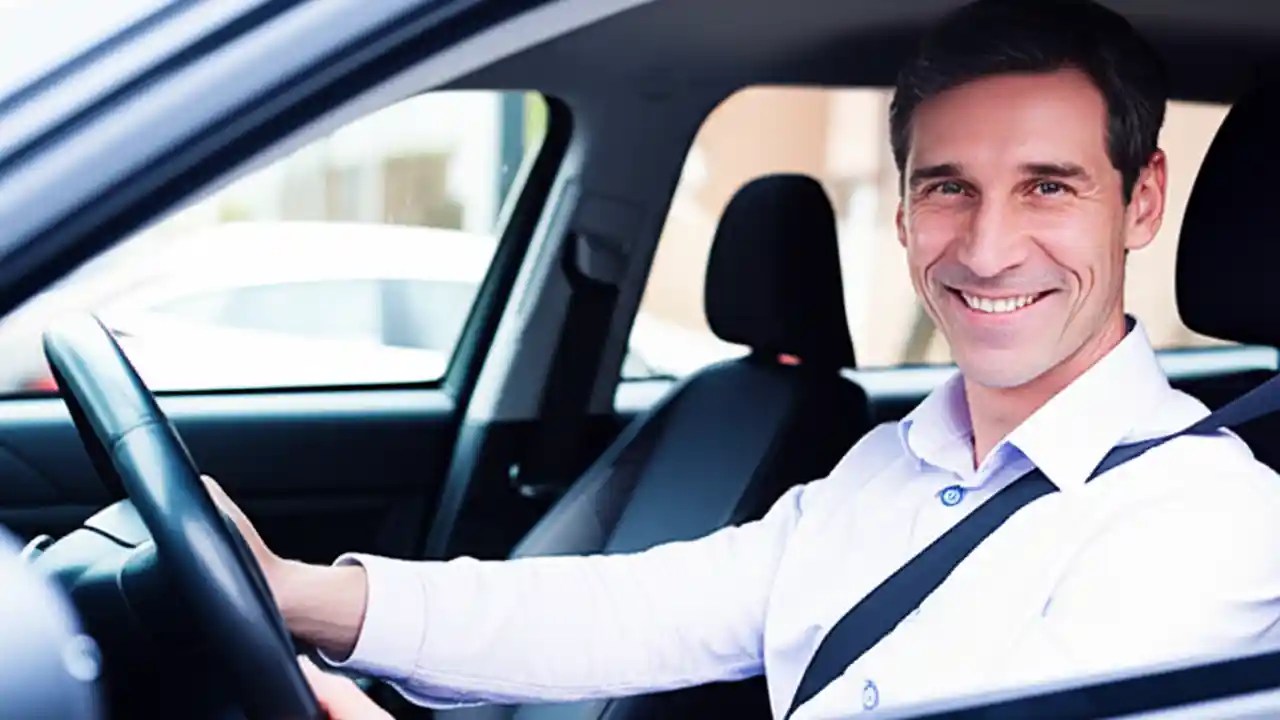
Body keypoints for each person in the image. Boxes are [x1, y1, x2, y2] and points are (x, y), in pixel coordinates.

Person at [210, 0, 1280, 717]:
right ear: (904, 214)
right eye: (947, 186)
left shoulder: (1205, 531)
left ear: (1139, 200)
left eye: (1047, 186)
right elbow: (628, 613)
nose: (987, 247)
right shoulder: (884, 468)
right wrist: (296, 593)